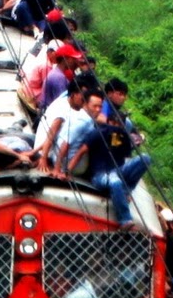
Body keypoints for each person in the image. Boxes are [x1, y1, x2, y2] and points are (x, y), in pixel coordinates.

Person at [64, 90, 152, 229]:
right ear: (109, 122)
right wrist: (67, 171)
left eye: (120, 125)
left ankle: (126, 190)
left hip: (117, 170)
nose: (116, 128)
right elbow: (81, 152)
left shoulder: (122, 137)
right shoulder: (98, 133)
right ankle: (125, 219)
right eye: (114, 124)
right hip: (100, 175)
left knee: (145, 159)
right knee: (114, 181)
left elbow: (126, 157)